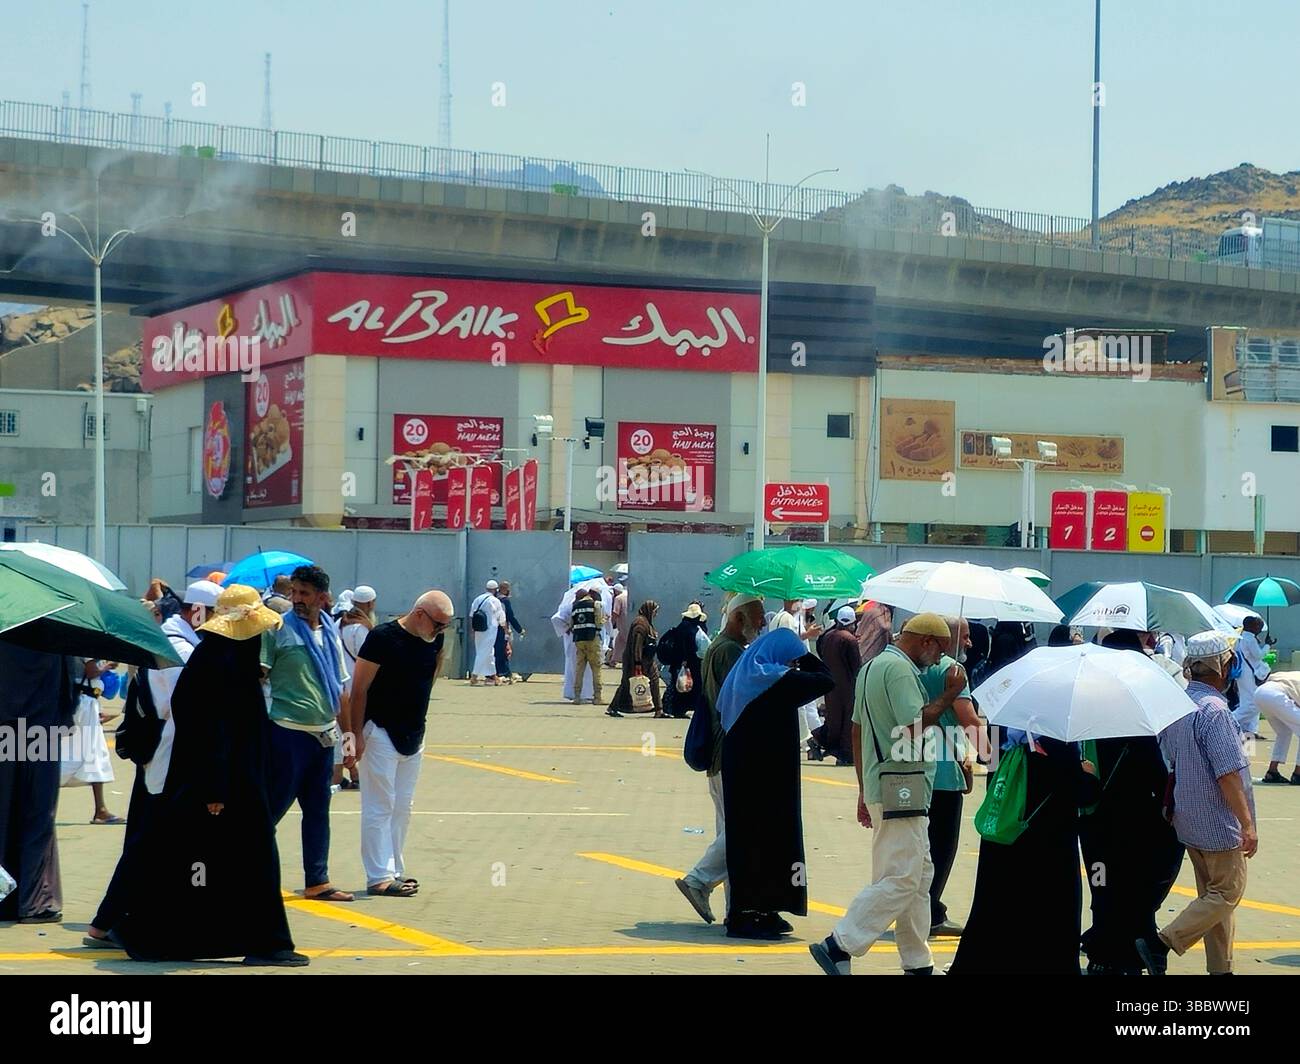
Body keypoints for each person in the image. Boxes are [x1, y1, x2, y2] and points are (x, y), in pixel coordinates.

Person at [114, 585, 308, 966]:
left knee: (227, 863)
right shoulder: (220, 663)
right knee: (240, 862)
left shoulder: (225, 658)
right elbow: (211, 729)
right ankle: (263, 941)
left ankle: (254, 940)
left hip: (233, 781)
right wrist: (214, 787)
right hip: (223, 786)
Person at [809, 613, 966, 976]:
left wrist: (865, 790)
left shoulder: (873, 667)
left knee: (919, 876)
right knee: (903, 878)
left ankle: (917, 960)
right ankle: (839, 944)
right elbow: (912, 726)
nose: (940, 659)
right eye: (939, 650)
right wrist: (949, 694)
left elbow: (856, 731)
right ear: (925, 641)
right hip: (903, 787)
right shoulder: (899, 671)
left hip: (886, 785)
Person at [85, 579, 219, 947]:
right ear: (198, 612)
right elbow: (181, 711)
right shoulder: (177, 651)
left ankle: (112, 920)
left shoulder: (181, 644)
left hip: (170, 764)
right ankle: (105, 922)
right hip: (169, 764)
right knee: (148, 846)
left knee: (149, 845)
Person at [1137, 631, 1258, 976]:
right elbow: (1229, 774)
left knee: (1213, 898)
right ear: (1223, 666)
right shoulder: (1216, 710)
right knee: (1227, 894)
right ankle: (1162, 943)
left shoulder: (1179, 704)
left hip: (1188, 817)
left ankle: (1222, 969)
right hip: (1218, 821)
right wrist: (1247, 824)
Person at [947, 731, 1101, 975]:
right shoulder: (1057, 739)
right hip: (1048, 845)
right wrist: (1089, 775)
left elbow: (990, 758)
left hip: (1008, 832)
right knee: (1048, 917)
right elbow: (1080, 792)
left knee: (998, 910)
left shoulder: (1015, 732)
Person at [1077, 629, 1185, 975]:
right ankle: (1128, 951)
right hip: (1134, 818)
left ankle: (1101, 954)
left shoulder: (1082, 701)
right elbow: (1155, 767)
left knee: (1102, 885)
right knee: (1136, 884)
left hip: (1092, 817)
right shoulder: (1139, 709)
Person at [719, 627, 835, 939]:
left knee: (752, 841)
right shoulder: (774, 678)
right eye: (791, 658)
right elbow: (826, 679)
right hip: (767, 777)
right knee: (768, 841)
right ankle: (749, 916)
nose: (793, 665)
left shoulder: (745, 676)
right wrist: (805, 653)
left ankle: (760, 911)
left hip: (746, 773)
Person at [345, 590, 453, 899]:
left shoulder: (435, 640)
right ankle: (378, 876)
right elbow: (358, 689)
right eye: (438, 624)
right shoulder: (382, 637)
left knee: (403, 807)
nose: (441, 631)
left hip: (415, 733)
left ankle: (394, 869)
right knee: (379, 806)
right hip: (378, 730)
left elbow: (429, 675)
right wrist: (355, 736)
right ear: (420, 614)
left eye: (445, 626)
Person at [262, 565, 354, 902]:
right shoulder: (278, 630)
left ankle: (317, 881)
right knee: (269, 811)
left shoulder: (330, 632)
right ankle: (245, 873)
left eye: (304, 594)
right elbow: (259, 676)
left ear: (323, 598)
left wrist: (349, 738)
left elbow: (341, 690)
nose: (297, 600)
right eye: (294, 593)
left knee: (318, 810)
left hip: (323, 737)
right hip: (287, 735)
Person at [675, 593, 766, 926]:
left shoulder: (721, 646)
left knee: (730, 829)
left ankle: (735, 907)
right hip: (729, 752)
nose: (760, 625)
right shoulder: (728, 650)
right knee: (743, 830)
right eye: (756, 619)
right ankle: (698, 880)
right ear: (738, 619)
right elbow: (741, 698)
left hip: (721, 753)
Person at [0, 647, 78, 924]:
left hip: (4, 730)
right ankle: (35, 901)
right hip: (42, 730)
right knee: (38, 814)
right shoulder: (52, 629)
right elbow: (71, 679)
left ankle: (4, 897)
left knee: (4, 814)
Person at [925, 617, 983, 939]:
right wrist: (992, 756)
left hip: (917, 762)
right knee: (942, 846)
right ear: (952, 637)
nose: (970, 643)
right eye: (967, 636)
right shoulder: (954, 672)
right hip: (945, 771)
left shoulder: (915, 666)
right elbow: (969, 719)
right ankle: (931, 911)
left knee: (923, 845)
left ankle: (925, 907)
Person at [60, 658, 122, 824]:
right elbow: (91, 671)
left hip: (82, 701)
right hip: (83, 703)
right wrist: (107, 665)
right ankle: (100, 810)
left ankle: (101, 809)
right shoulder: (83, 641)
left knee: (91, 754)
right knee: (92, 753)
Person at [815, 606, 862, 766]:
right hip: (848, 687)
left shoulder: (827, 636)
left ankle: (821, 739)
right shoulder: (850, 640)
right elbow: (856, 666)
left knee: (834, 719)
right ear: (853, 623)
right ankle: (845, 754)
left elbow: (820, 652)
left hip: (831, 685)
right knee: (847, 721)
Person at [608, 601, 662, 717]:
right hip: (635, 661)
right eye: (655, 611)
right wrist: (637, 663)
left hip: (647, 660)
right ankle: (613, 707)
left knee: (654, 680)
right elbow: (637, 645)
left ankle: (659, 710)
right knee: (626, 684)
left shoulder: (647, 623)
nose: (656, 614)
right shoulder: (640, 624)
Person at [663, 604, 709, 719]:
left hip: (680, 663)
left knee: (679, 686)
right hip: (687, 663)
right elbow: (688, 646)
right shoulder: (690, 629)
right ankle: (679, 709)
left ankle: (676, 708)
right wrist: (685, 660)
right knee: (685, 687)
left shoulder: (683, 626)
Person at [1256, 671, 1300, 783]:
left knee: (1284, 732)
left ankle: (1272, 772)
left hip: (1260, 693)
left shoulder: (1294, 675)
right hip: (1275, 695)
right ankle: (1298, 774)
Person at [1233, 617, 1270, 736]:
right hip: (1249, 674)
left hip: (1243, 673)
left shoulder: (1240, 637)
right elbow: (1258, 655)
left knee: (1248, 701)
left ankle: (1250, 730)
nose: (1259, 629)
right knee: (1253, 704)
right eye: (1258, 626)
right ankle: (1230, 720)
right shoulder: (1249, 638)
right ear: (1251, 626)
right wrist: (1267, 645)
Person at [568, 589, 605, 707]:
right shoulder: (595, 605)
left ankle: (577, 697)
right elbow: (599, 623)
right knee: (596, 669)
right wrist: (605, 620)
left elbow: (571, 625)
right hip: (592, 639)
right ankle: (597, 697)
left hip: (579, 640)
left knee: (579, 669)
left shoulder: (575, 606)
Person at [469, 580, 507, 686]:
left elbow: (471, 615)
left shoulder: (478, 599)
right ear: (495, 590)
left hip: (478, 629)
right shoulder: (495, 601)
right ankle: (474, 676)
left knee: (489, 652)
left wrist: (472, 629)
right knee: (483, 652)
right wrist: (506, 630)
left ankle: (493, 676)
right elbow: (501, 618)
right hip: (490, 630)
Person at [494, 581, 525, 684]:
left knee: (497, 651)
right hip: (504, 629)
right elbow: (510, 617)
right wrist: (520, 629)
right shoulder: (505, 601)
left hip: (493, 629)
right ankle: (505, 673)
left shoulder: (493, 599)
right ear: (506, 589)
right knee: (505, 651)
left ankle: (500, 673)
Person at [608, 580, 630, 667]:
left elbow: (615, 613)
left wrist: (611, 623)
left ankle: (617, 660)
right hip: (629, 622)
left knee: (622, 642)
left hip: (622, 623)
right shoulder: (628, 595)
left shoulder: (618, 598)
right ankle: (614, 660)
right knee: (619, 641)